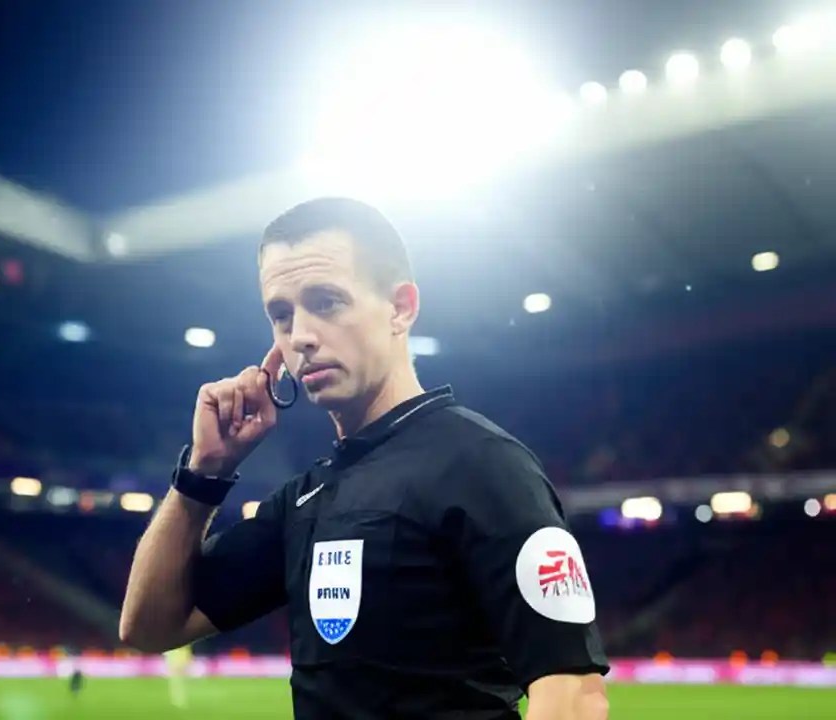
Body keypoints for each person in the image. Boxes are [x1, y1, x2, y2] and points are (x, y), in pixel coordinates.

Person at [120, 198, 609, 719]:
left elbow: (573, 696)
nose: (299, 336)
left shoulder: (484, 464)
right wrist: (204, 476)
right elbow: (150, 626)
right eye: (281, 315)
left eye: (326, 302)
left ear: (400, 308)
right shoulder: (307, 498)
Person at [163, 643, 193, 709]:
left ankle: (178, 698)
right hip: (176, 662)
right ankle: (178, 698)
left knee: (177, 682)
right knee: (177, 682)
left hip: (178, 663)